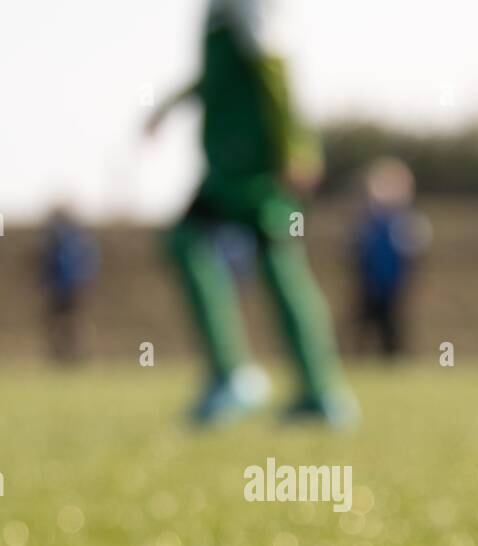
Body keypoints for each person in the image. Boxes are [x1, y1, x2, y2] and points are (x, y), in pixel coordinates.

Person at [145, 0, 356, 428]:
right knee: (203, 246)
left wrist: (297, 148)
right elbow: (220, 79)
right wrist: (169, 105)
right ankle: (295, 386)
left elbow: (274, 68)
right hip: (226, 169)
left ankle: (308, 389)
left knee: (279, 265)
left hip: (256, 171)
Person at [351, 157, 429, 358]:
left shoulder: (407, 222)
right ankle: (359, 361)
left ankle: (394, 360)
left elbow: (414, 257)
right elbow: (358, 253)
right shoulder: (368, 222)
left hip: (393, 288)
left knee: (392, 329)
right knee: (362, 328)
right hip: (369, 286)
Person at [40, 205, 100, 363]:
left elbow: (85, 262)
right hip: (63, 289)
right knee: (61, 323)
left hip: (70, 288)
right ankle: (64, 355)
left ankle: (74, 354)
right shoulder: (62, 240)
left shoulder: (67, 240)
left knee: (71, 323)